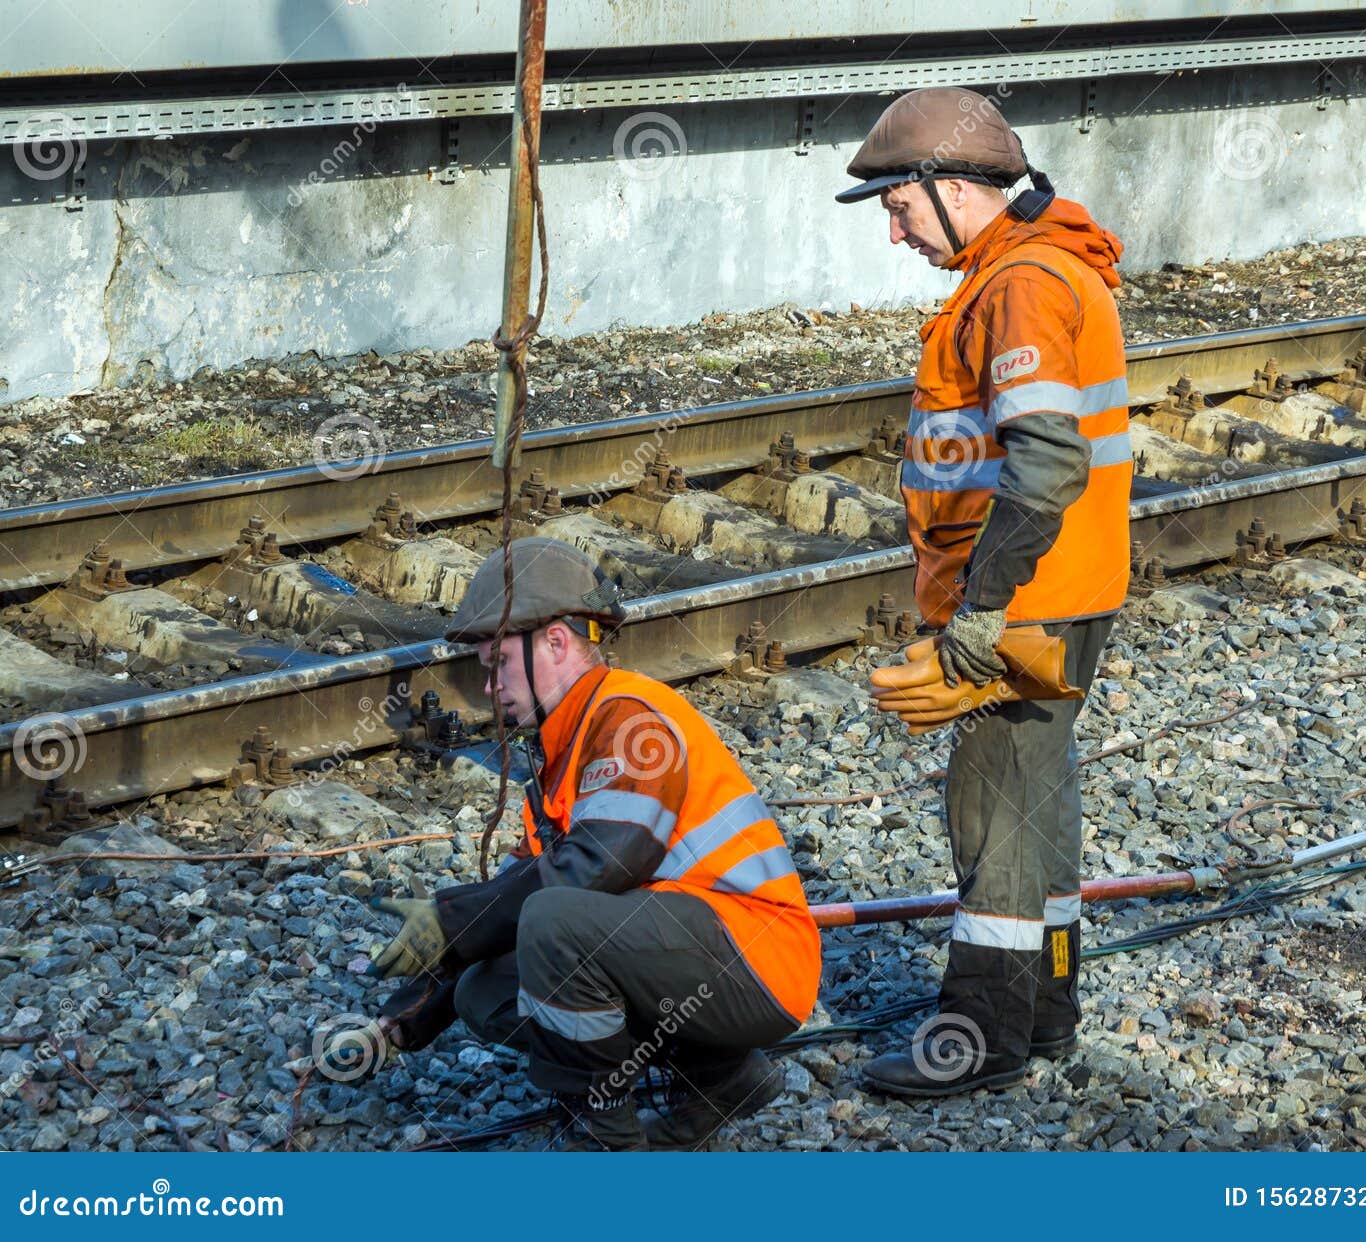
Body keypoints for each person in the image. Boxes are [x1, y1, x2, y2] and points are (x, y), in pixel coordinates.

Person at [834, 87, 1131, 1095]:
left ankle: (978, 1043)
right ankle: (1045, 1022)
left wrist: (980, 614)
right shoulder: (1039, 271)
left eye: (900, 207)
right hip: (1064, 590)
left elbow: (1045, 461)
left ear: (954, 188)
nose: (894, 231)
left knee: (993, 812)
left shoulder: (1020, 289)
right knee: (1038, 811)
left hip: (1022, 602)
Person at [348, 537, 821, 1149]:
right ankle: (720, 1079)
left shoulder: (632, 720)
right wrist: (401, 1022)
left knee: (553, 919)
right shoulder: (557, 761)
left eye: (498, 665)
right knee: (485, 990)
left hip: (759, 961)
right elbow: (513, 907)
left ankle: (605, 1139)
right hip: (692, 956)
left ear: (554, 641)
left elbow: (599, 864)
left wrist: (450, 916)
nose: (489, 688)